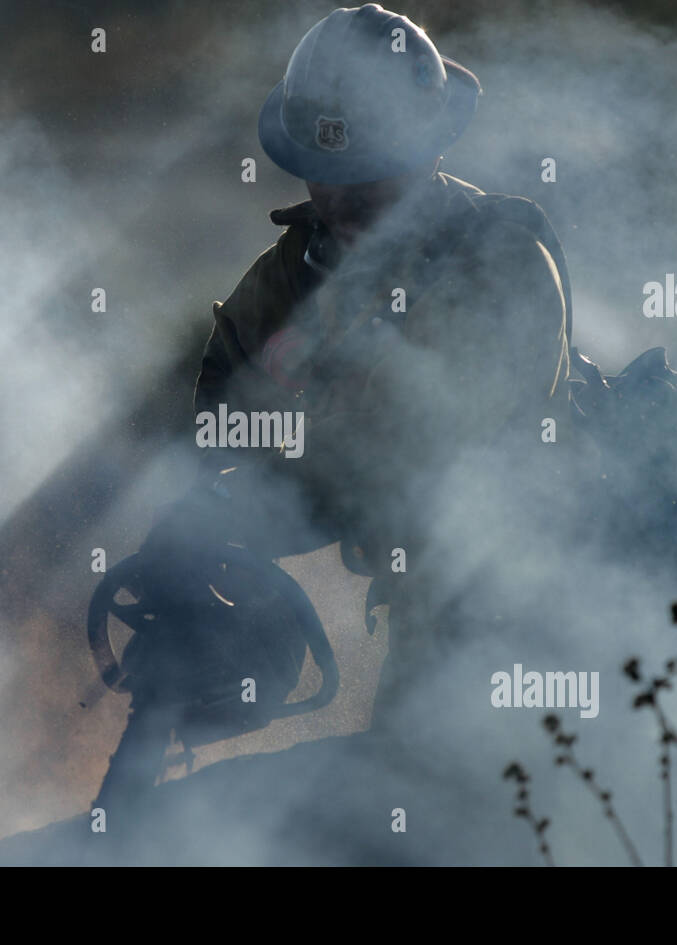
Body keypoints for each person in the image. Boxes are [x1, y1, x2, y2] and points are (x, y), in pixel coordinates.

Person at [140, 3, 575, 730]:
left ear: (428, 151)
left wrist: (304, 465)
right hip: (425, 570)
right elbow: (222, 422)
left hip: (544, 577)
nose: (340, 196)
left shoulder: (500, 260)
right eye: (323, 169)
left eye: (367, 169)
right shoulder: (286, 279)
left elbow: (475, 451)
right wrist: (215, 523)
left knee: (440, 765)